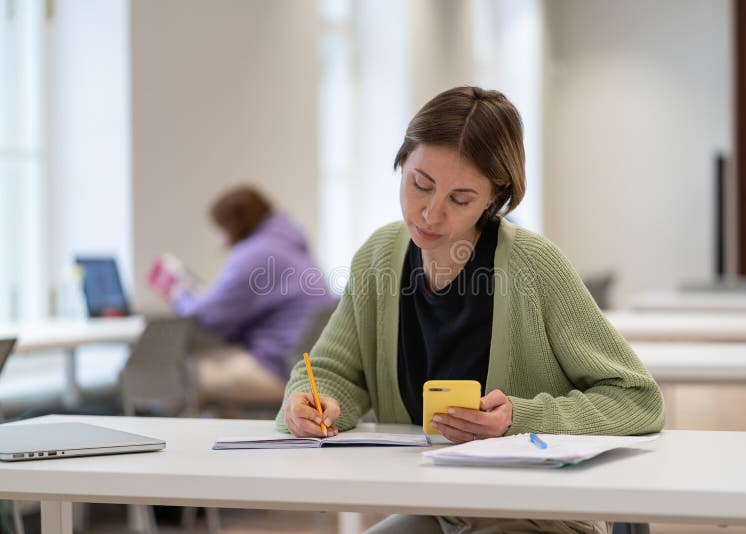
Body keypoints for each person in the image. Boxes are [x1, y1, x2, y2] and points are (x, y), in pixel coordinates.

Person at [276, 87, 664, 533]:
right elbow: (332, 372)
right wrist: (310, 404)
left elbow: (637, 399)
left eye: (460, 199)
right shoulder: (379, 257)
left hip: (540, 511)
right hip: (434, 505)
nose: (430, 213)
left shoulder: (534, 265)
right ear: (402, 161)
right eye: (419, 184)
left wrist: (520, 419)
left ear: (494, 197)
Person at [154, 185, 336, 407]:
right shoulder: (290, 244)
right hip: (305, 364)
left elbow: (207, 315)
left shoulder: (256, 253)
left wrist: (179, 295)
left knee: (181, 374)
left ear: (232, 224)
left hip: (280, 369)